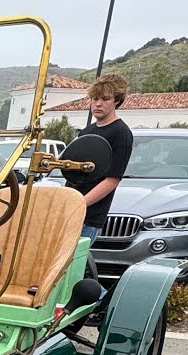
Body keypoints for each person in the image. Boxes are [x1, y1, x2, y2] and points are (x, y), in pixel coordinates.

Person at [66, 75, 134, 248]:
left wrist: (80, 204)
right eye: (95, 99)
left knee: (74, 264)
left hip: (89, 217)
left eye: (105, 99)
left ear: (117, 101)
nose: (98, 104)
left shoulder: (121, 133)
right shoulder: (87, 131)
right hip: (69, 211)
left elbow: (112, 180)